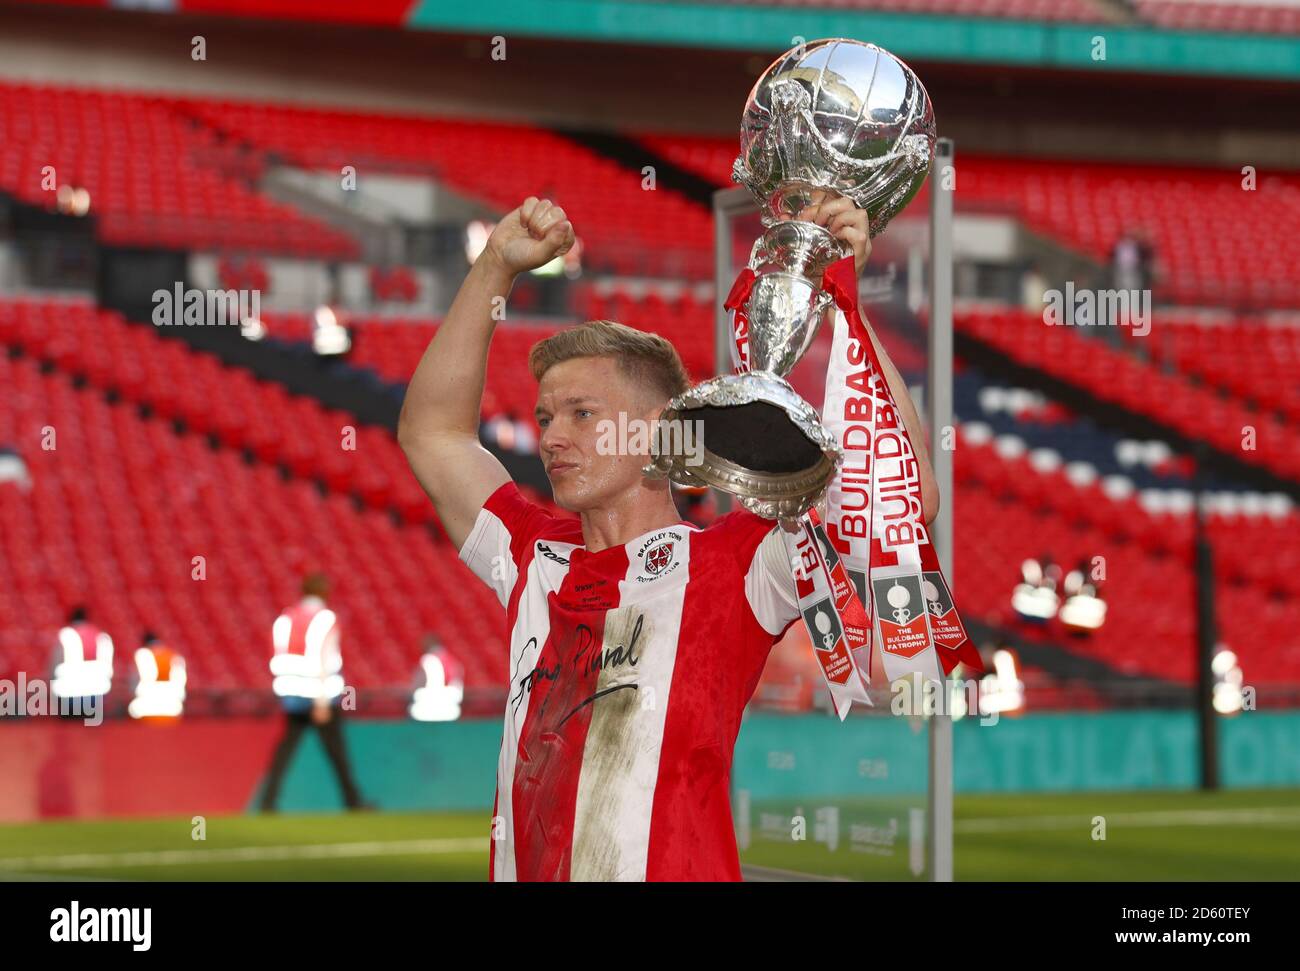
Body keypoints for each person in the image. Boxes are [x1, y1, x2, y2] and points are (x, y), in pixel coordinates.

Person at [397, 194, 938, 881]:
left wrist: (848, 311)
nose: (552, 436)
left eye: (581, 413)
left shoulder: (735, 562)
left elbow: (907, 496)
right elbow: (432, 433)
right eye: (544, 416)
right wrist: (493, 270)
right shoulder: (533, 553)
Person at [260, 574, 365, 811]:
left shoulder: (286, 618)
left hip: (291, 693)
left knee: (286, 750)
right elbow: (323, 658)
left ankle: (268, 800)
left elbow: (277, 655)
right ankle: (353, 800)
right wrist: (321, 699)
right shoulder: (325, 619)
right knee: (336, 751)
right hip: (318, 693)